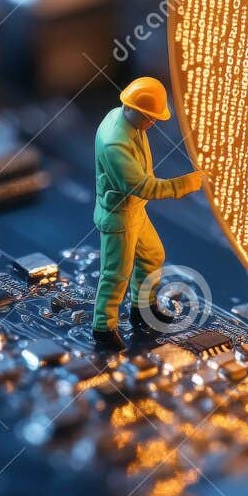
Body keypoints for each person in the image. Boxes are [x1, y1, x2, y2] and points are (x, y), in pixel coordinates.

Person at [92, 76, 203, 344]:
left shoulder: (126, 120)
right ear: (131, 108)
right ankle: (103, 328)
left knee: (153, 255)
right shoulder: (115, 144)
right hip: (119, 217)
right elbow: (145, 187)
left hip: (134, 211)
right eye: (149, 116)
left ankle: (142, 308)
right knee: (116, 274)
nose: (153, 122)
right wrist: (187, 183)